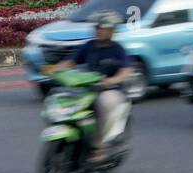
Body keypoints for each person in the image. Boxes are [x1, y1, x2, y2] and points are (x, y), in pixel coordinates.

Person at [50, 12, 132, 162]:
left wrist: (112, 80)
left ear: (112, 31)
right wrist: (55, 70)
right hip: (88, 88)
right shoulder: (89, 46)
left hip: (110, 91)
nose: (101, 31)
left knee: (104, 102)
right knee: (63, 100)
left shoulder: (117, 49)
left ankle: (100, 147)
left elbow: (126, 71)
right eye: (99, 28)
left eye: (105, 29)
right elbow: (71, 62)